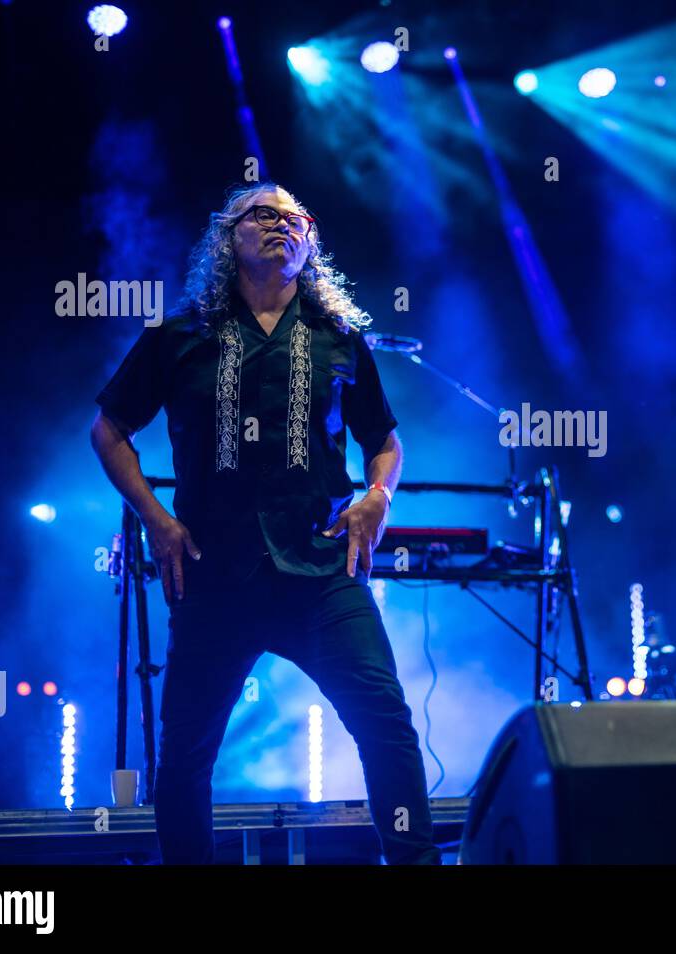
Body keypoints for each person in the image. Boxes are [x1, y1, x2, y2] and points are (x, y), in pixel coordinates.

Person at [91, 182, 440, 863]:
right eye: (264, 214)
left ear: (310, 241)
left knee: (387, 723)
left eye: (296, 218)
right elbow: (108, 430)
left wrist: (379, 495)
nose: (283, 225)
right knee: (185, 753)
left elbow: (384, 440)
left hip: (322, 570)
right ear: (231, 236)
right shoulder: (178, 335)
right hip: (214, 573)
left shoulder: (339, 337)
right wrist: (155, 519)